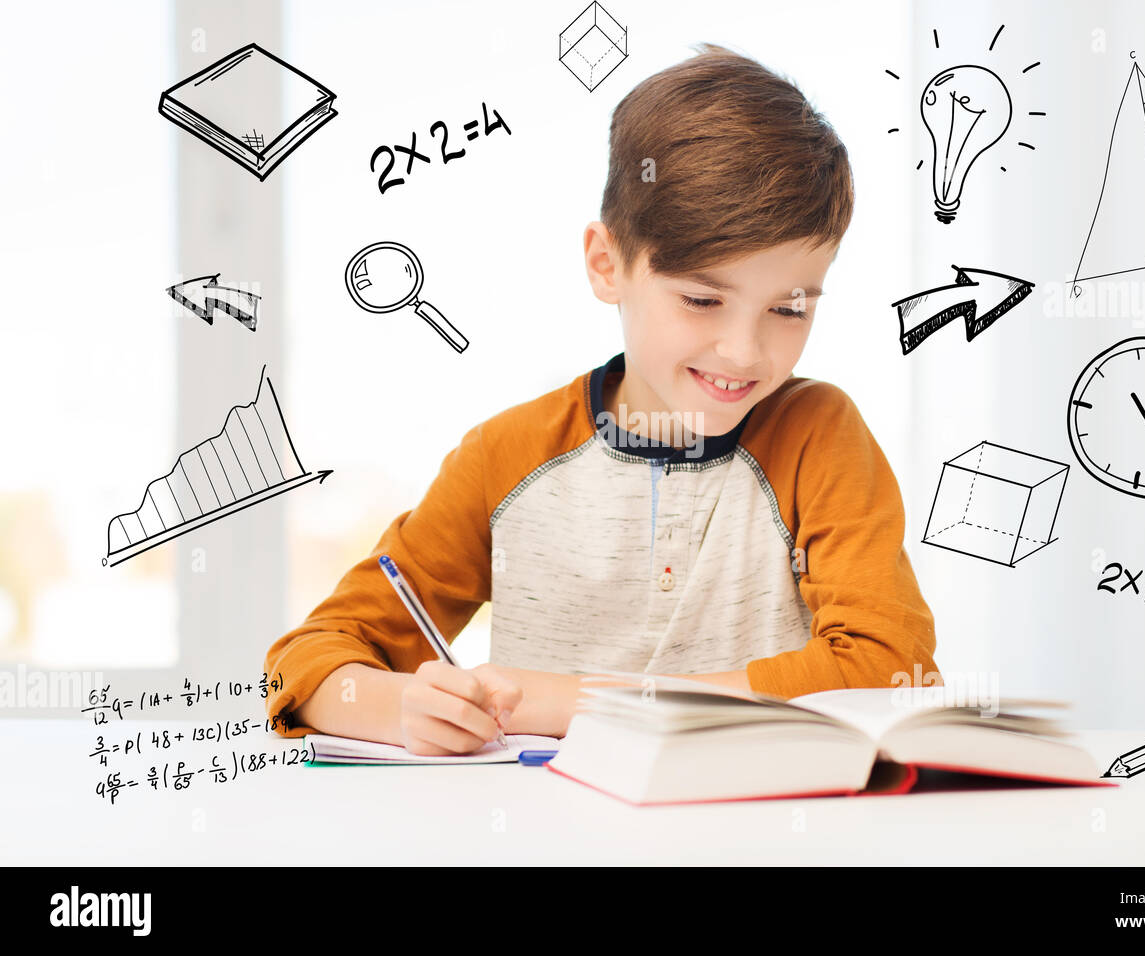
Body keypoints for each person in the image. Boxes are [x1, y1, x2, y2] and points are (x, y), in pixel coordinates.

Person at [265, 43, 939, 755]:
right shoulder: (506, 457)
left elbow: (891, 668)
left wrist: (572, 701)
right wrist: (399, 705)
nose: (745, 351)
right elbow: (305, 661)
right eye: (703, 299)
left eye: (790, 308)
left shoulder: (818, 437)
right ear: (607, 263)